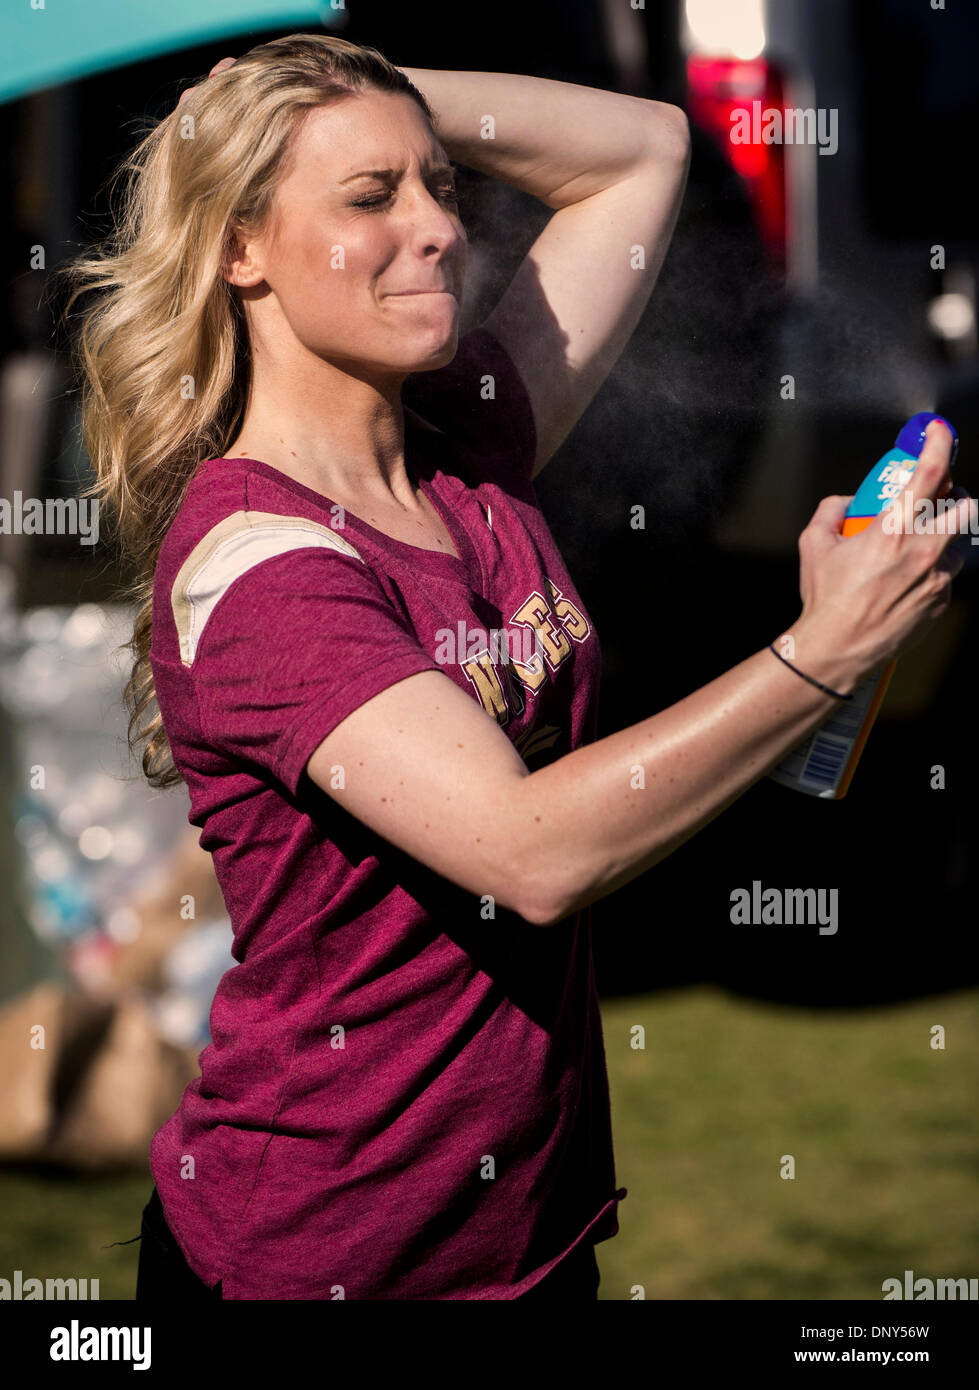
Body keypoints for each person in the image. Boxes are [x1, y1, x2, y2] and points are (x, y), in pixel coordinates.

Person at [59, 34, 968, 1300]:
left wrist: (365, 105)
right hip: (327, 1262)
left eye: (438, 186)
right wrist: (822, 656)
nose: (436, 226)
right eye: (370, 200)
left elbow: (642, 150)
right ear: (239, 247)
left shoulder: (465, 436)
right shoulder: (258, 567)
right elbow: (533, 854)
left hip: (530, 1244)